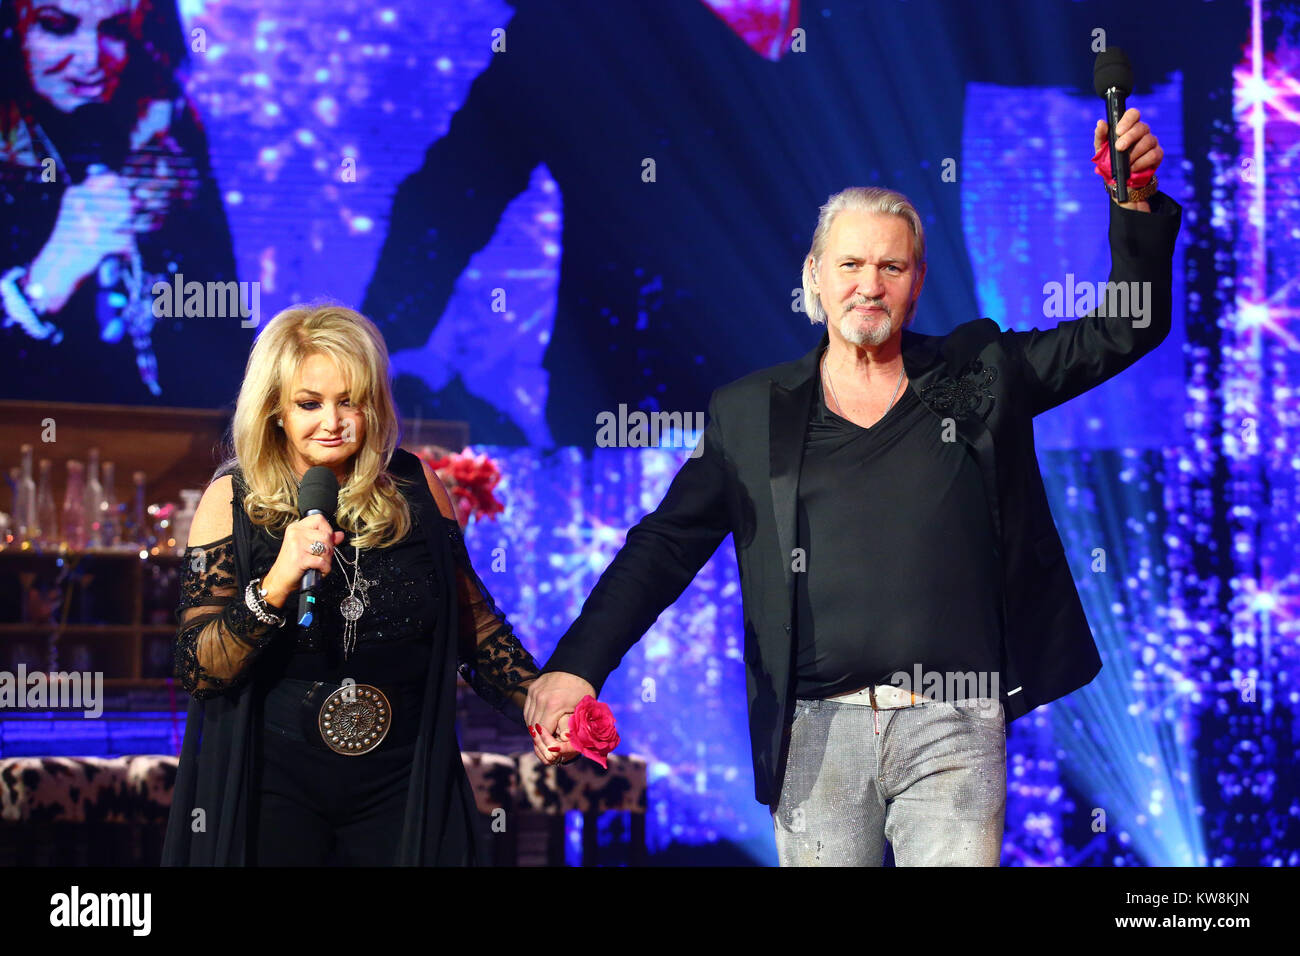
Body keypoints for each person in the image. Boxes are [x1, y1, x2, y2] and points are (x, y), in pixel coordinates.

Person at [527, 109, 1182, 865]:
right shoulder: (750, 412)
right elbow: (665, 546)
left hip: (954, 722)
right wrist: (578, 663)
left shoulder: (983, 370)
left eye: (891, 268)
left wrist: (1134, 208)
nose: (869, 285)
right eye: (850, 265)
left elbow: (1123, 331)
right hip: (813, 731)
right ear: (814, 276)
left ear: (917, 282)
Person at [162, 303, 571, 867]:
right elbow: (198, 669)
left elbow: (474, 627)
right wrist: (276, 583)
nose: (332, 422)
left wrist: (540, 703)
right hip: (273, 785)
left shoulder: (414, 483)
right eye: (309, 404)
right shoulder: (232, 499)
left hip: (401, 781)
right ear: (276, 409)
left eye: (349, 401)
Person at [0, 0, 247, 406]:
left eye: (113, 30)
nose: (90, 59)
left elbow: (225, 333)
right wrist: (40, 288)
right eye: (56, 26)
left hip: (161, 453)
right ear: (12, 29)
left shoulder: (169, 133)